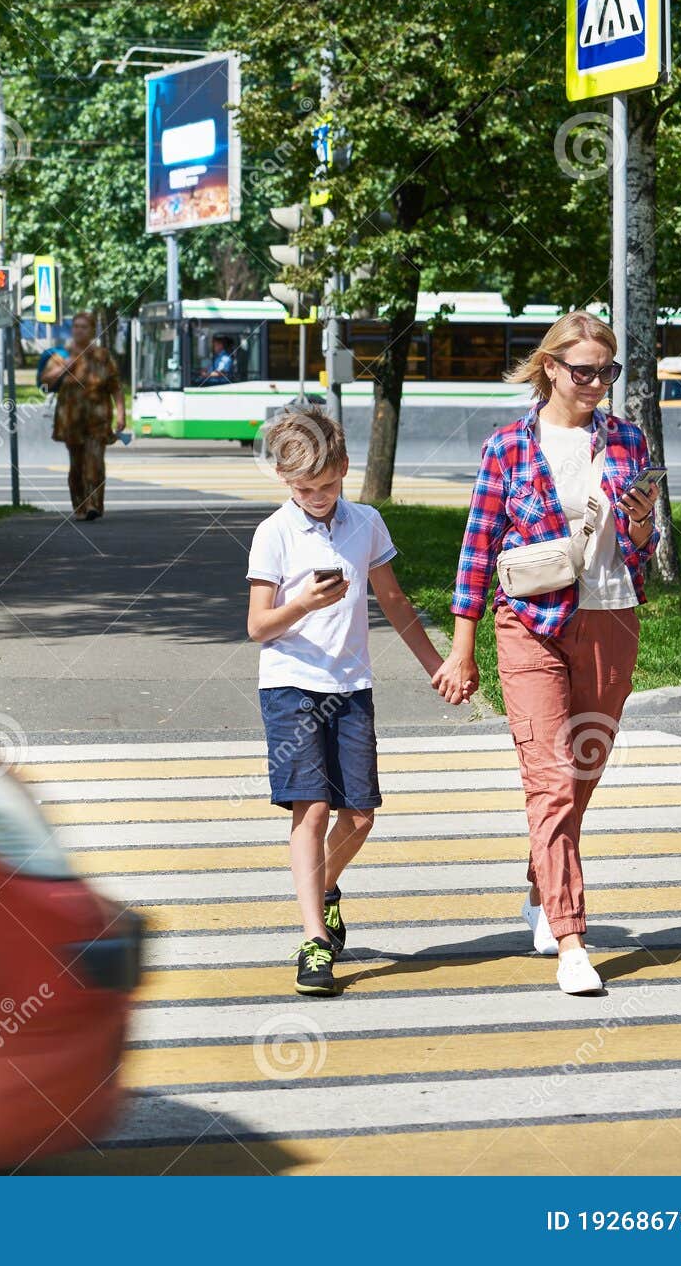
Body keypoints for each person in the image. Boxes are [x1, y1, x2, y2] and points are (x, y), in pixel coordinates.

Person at [431, 310, 660, 996]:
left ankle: (542, 883)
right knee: (550, 778)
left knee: (580, 774)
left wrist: (643, 518)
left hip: (611, 615)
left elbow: (641, 547)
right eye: (584, 370)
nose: (596, 383)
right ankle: (572, 940)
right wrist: (461, 649)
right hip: (529, 620)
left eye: (607, 371)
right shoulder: (509, 445)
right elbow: (477, 548)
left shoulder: (626, 441)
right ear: (551, 367)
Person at [247, 407, 461, 997]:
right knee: (310, 812)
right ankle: (315, 940)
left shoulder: (366, 523)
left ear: (344, 467)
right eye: (304, 489)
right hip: (290, 684)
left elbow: (393, 602)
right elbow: (259, 626)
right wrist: (303, 606)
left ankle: (326, 885)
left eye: (327, 485)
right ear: (287, 483)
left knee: (360, 815)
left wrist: (437, 666)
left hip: (351, 687)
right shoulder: (275, 532)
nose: (317, 498)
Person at [43, 311, 125, 521]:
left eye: (84, 327)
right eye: (76, 326)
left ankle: (93, 505)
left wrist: (121, 415)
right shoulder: (60, 355)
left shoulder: (102, 356)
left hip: (98, 419)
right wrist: (63, 368)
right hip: (71, 420)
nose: (79, 330)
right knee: (76, 465)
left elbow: (115, 387)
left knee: (95, 462)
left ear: (92, 331)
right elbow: (46, 383)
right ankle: (79, 506)